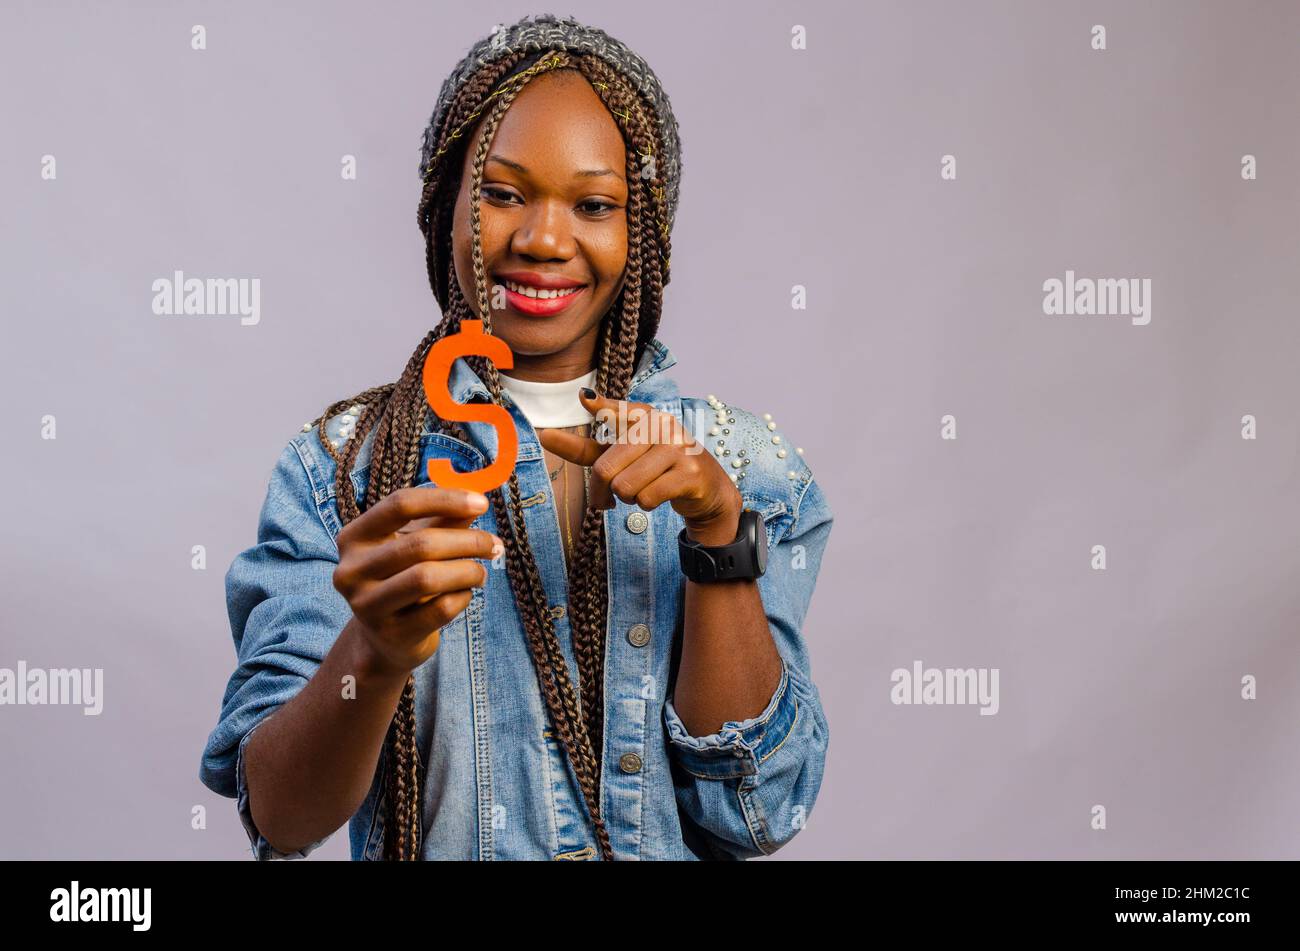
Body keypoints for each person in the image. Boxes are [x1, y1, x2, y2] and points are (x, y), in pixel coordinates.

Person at [199, 13, 833, 861]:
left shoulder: (748, 469)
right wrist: (376, 650)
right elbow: (281, 814)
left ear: (640, 230)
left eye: (595, 204)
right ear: (444, 204)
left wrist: (718, 538)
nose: (541, 238)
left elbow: (759, 814)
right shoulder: (340, 470)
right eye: (502, 193)